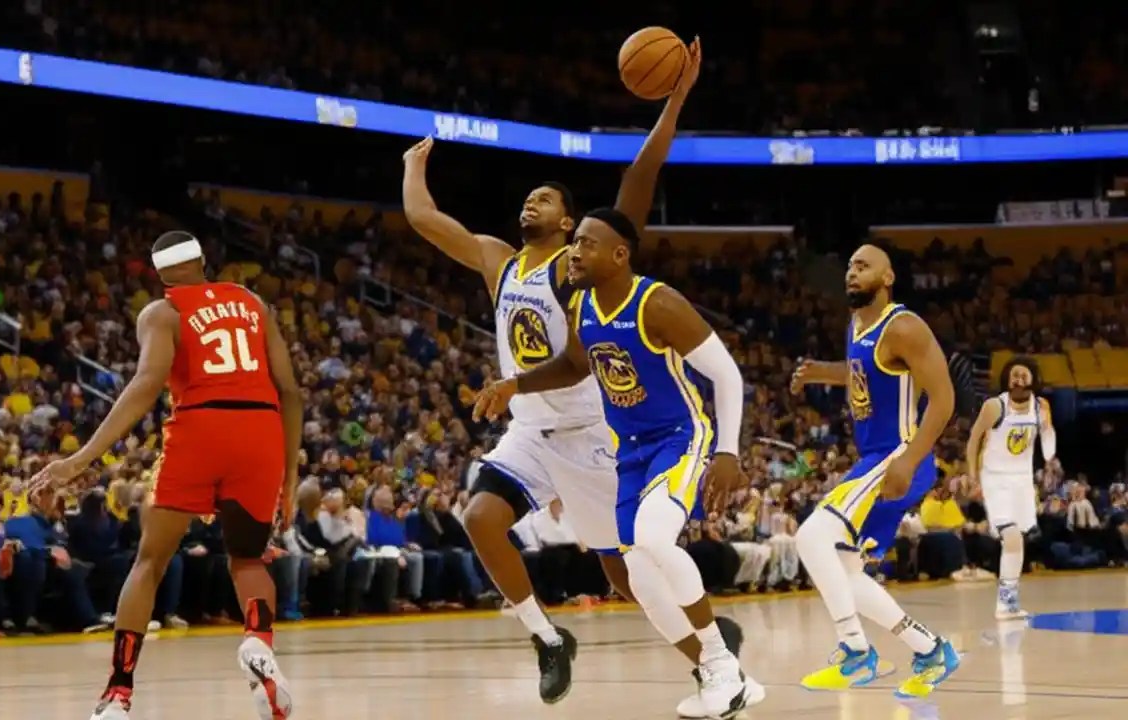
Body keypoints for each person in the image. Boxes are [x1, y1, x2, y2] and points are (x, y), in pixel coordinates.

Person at [403, 37, 745, 709]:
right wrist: (412, 166)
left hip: (593, 430)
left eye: (545, 199)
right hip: (530, 430)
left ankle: (708, 657)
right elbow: (424, 219)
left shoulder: (576, 267)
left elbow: (634, 189)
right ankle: (548, 637)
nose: (530, 204)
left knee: (626, 575)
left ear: (569, 224)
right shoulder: (499, 260)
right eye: (527, 198)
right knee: (478, 515)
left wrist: (673, 104)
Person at [472, 195, 764, 714]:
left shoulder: (659, 303)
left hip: (680, 436)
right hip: (628, 449)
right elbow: (575, 366)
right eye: (576, 240)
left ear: (620, 254)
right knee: (641, 582)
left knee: (653, 537)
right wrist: (516, 384)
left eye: (587, 242)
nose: (576, 252)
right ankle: (724, 674)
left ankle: (720, 665)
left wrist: (727, 449)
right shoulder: (582, 306)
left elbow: (726, 374)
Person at [30, 231, 303, 720]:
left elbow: (146, 384)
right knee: (247, 558)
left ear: (159, 275)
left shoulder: (163, 312)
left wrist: (81, 458)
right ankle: (258, 640)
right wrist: (288, 478)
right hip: (261, 430)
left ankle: (118, 693)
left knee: (150, 562)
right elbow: (291, 392)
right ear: (202, 260)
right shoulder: (253, 303)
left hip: (200, 426)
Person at [790, 244, 960, 699]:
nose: (851, 272)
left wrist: (908, 460)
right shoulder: (857, 323)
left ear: (887, 278)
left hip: (899, 456)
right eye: (848, 265)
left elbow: (944, 398)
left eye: (862, 266)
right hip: (878, 459)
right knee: (847, 571)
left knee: (810, 537)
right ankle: (931, 651)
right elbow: (861, 372)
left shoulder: (904, 326)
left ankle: (856, 653)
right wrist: (820, 372)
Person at [965, 355, 1055, 620]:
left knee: (1017, 543)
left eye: (1023, 375)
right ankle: (1004, 604)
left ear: (1033, 380)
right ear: (1006, 379)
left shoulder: (1041, 407)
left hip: (1022, 481)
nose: (1018, 379)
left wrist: (1048, 428)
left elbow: (1048, 450)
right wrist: (972, 475)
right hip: (996, 479)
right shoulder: (994, 406)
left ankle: (1008, 602)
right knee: (1012, 537)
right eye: (1014, 374)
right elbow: (973, 440)